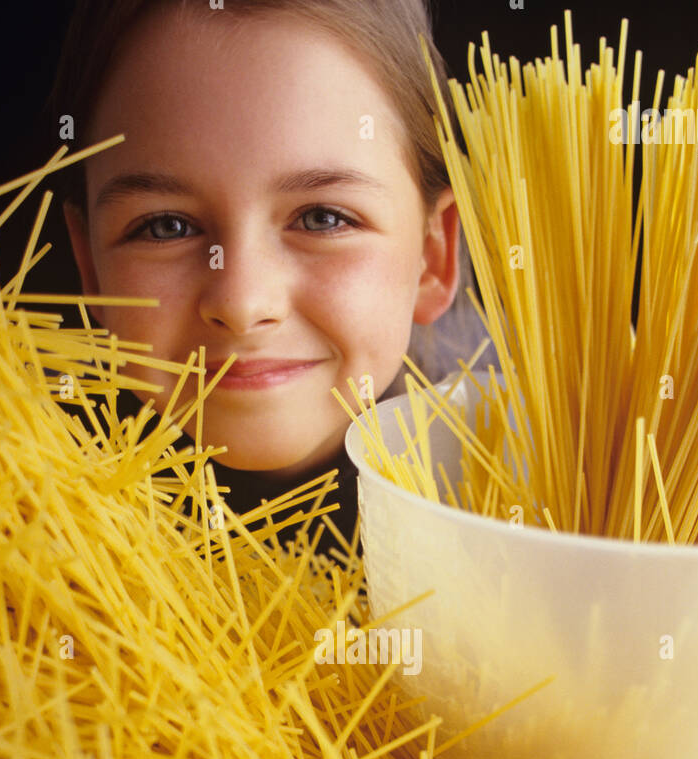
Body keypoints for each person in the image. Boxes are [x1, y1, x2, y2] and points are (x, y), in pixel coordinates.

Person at [51, 0, 490, 559]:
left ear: (433, 256)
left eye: (322, 218)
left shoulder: (538, 478)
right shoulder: (14, 512)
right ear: (90, 266)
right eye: (166, 226)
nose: (241, 300)